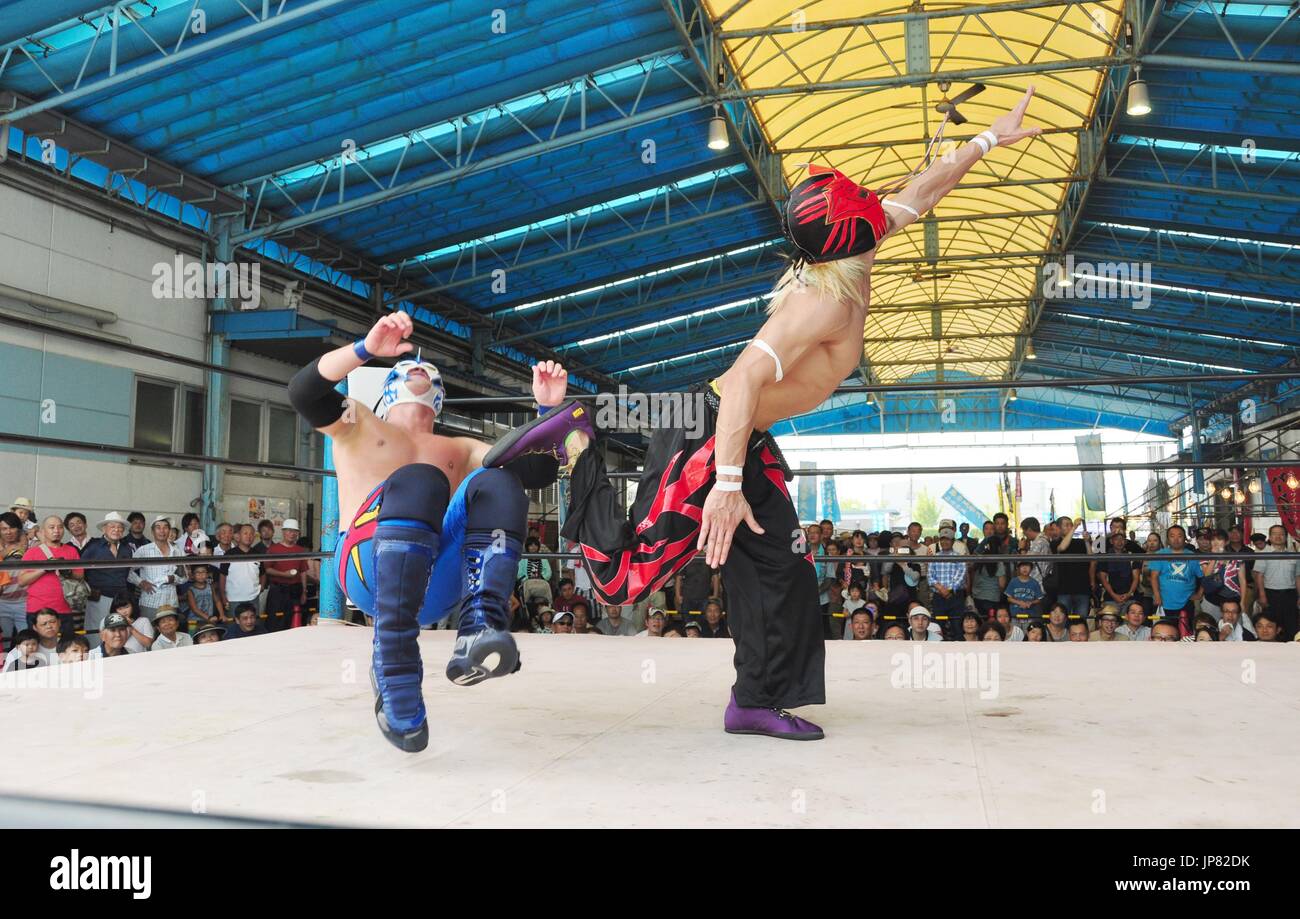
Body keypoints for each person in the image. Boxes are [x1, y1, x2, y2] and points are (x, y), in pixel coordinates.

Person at [482, 91, 1042, 741]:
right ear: (854, 228)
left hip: (747, 436)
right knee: (621, 579)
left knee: (784, 566)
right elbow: (746, 376)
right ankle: (576, 441)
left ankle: (754, 699)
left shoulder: (858, 246)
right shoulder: (819, 302)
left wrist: (988, 141)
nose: (884, 206)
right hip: (713, 430)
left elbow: (924, 189)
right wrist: (723, 485)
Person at [289, 313, 573, 752]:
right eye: (409, 367)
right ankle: (394, 660)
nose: (421, 369)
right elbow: (304, 391)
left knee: (498, 480)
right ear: (389, 389)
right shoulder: (358, 423)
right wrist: (364, 349)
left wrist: (547, 411)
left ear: (440, 397)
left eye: (430, 371)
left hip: (437, 581)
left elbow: (533, 471)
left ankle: (479, 626)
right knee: (421, 479)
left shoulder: (460, 448)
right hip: (368, 567)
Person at [16, 515, 84, 641]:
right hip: (37, 609)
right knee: (36, 648)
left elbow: (80, 576)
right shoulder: (32, 552)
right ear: (43, 531)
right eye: (51, 527)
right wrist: (44, 568)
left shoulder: (71, 550)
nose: (56, 531)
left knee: (66, 648)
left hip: (64, 609)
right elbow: (21, 581)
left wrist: (67, 571)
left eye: (60, 527)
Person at [128, 516, 186, 622]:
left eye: (165, 527)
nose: (162, 531)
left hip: (170, 602)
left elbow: (184, 576)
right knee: (149, 633)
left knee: (168, 633)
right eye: (158, 527)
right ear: (152, 531)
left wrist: (173, 578)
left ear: (169, 530)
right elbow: (128, 571)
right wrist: (141, 582)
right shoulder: (144, 550)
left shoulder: (177, 551)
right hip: (150, 602)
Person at [1148, 525, 1202, 637]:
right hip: (1164, 602)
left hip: (1187, 601)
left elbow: (1203, 577)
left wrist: (1199, 594)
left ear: (1185, 538)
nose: (1176, 539)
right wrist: (1157, 596)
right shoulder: (1160, 554)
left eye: (1180, 536)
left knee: (1186, 633)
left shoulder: (1192, 556)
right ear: (1167, 539)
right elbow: (1154, 577)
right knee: (1166, 633)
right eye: (1172, 536)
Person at [1252, 524, 1299, 640]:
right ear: (1270, 537)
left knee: (1291, 625)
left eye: (1281, 534)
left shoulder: (1294, 554)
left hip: (1290, 594)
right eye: (1275, 534)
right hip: (1271, 595)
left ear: (1286, 537)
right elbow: (1259, 576)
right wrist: (1262, 595)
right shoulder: (1264, 553)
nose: (1278, 537)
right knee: (1272, 625)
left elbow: (1298, 577)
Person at [0, 512, 30, 641]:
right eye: (4, 529)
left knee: (27, 641)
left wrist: (26, 535)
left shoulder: (28, 546)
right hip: (2, 602)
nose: (8, 532)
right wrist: (3, 553)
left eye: (12, 527)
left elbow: (43, 536)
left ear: (18, 528)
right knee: (4, 641)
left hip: (24, 602)